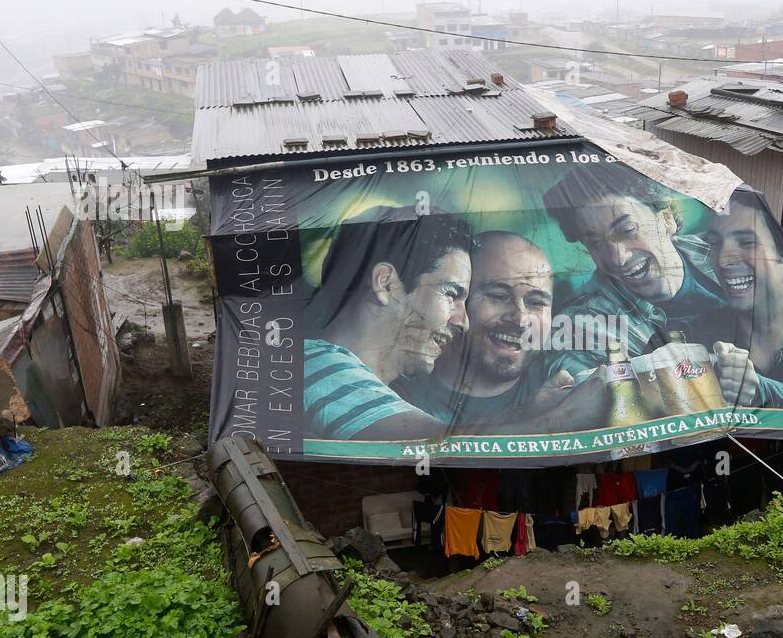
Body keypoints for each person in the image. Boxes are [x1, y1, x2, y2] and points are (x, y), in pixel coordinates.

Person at [395, 231, 607, 431]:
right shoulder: (398, 386)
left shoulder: (565, 376)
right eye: (498, 296)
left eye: (535, 302)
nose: (521, 318)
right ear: (458, 300)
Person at [303, 207, 473, 440]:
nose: (463, 322)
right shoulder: (312, 364)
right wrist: (539, 422)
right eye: (451, 294)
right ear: (386, 285)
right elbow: (457, 444)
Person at [541, 168, 727, 379]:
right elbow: (584, 388)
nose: (617, 258)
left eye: (627, 231)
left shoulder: (728, 253)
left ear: (666, 220)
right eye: (595, 243)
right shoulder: (583, 327)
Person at [703, 196, 783, 410]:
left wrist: (759, 390)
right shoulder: (697, 330)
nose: (722, 260)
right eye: (714, 244)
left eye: (747, 242)